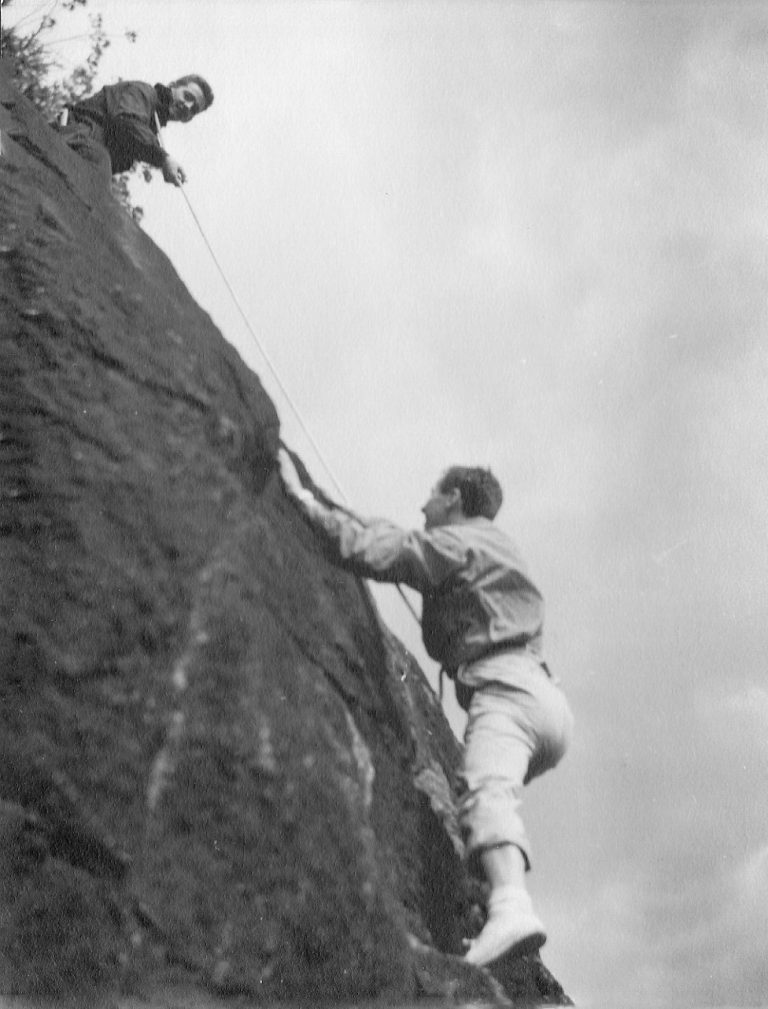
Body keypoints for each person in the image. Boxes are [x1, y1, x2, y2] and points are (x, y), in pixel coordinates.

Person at [278, 449, 573, 968]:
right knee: (476, 795)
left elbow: (396, 552)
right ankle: (488, 910)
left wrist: (307, 507)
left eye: (432, 497)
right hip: (545, 702)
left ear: (455, 497)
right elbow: (407, 538)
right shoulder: (498, 546)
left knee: (486, 791)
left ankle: (509, 906)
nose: (423, 505)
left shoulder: (457, 541)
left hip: (505, 692)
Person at [58, 75, 214, 186]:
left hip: (86, 153)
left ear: (188, 119)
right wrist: (163, 158)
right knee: (97, 172)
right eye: (187, 96)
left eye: (193, 109)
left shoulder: (152, 127)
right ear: (173, 86)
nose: (187, 106)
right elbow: (127, 122)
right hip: (76, 137)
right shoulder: (143, 92)